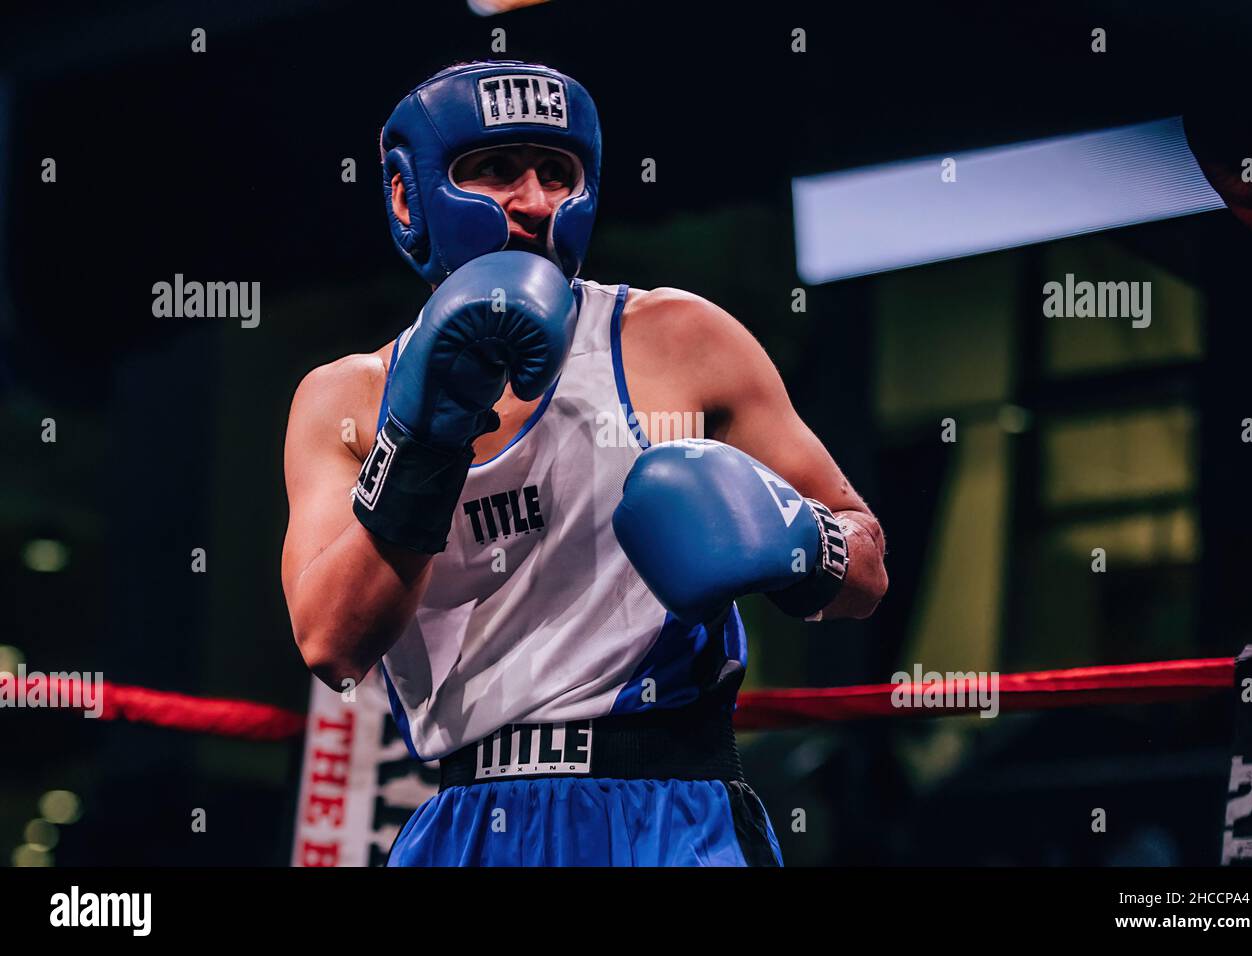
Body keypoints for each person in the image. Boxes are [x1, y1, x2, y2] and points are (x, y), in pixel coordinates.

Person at [281, 60, 888, 866]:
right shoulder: (346, 399)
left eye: (557, 174)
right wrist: (425, 441)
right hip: (468, 822)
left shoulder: (677, 339)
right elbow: (330, 643)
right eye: (495, 170)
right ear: (407, 195)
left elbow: (868, 566)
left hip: (673, 813)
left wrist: (798, 541)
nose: (535, 202)